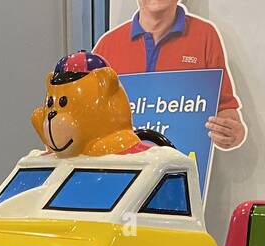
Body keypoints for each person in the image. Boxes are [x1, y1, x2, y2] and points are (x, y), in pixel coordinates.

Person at [94, 0, 247, 150]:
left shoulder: (205, 36)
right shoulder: (107, 46)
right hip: (123, 163)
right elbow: (89, 115)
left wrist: (232, 132)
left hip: (185, 162)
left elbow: (225, 108)